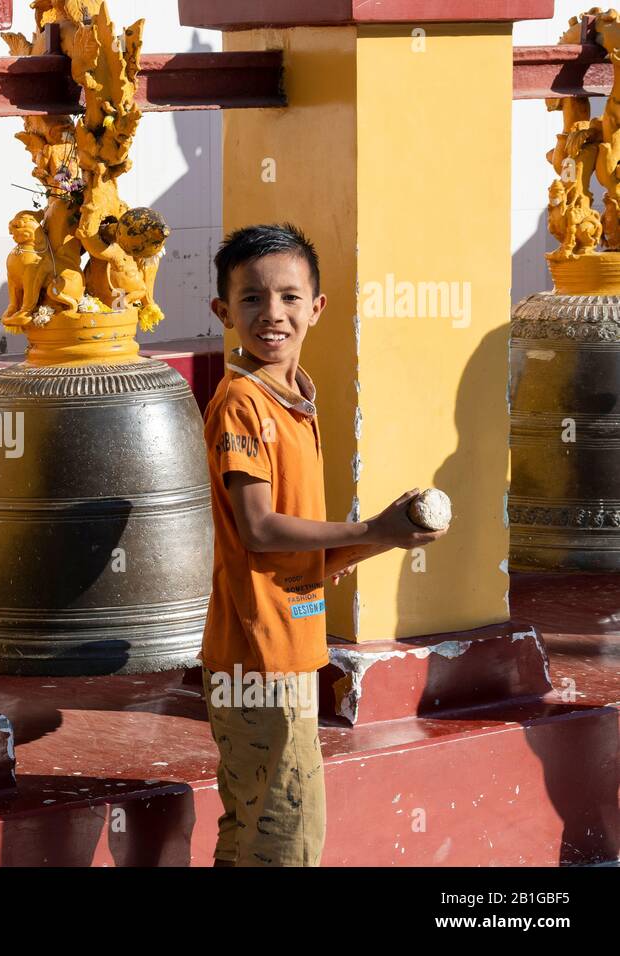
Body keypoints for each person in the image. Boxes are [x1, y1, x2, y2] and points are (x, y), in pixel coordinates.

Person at [200, 223, 447, 866]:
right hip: (259, 655)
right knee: (287, 839)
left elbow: (301, 550)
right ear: (223, 312)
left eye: (288, 296)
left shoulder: (296, 400)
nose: (272, 313)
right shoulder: (242, 403)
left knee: (258, 829)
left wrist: (390, 536)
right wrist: (373, 529)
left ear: (317, 307)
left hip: (292, 642)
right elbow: (258, 528)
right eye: (251, 299)